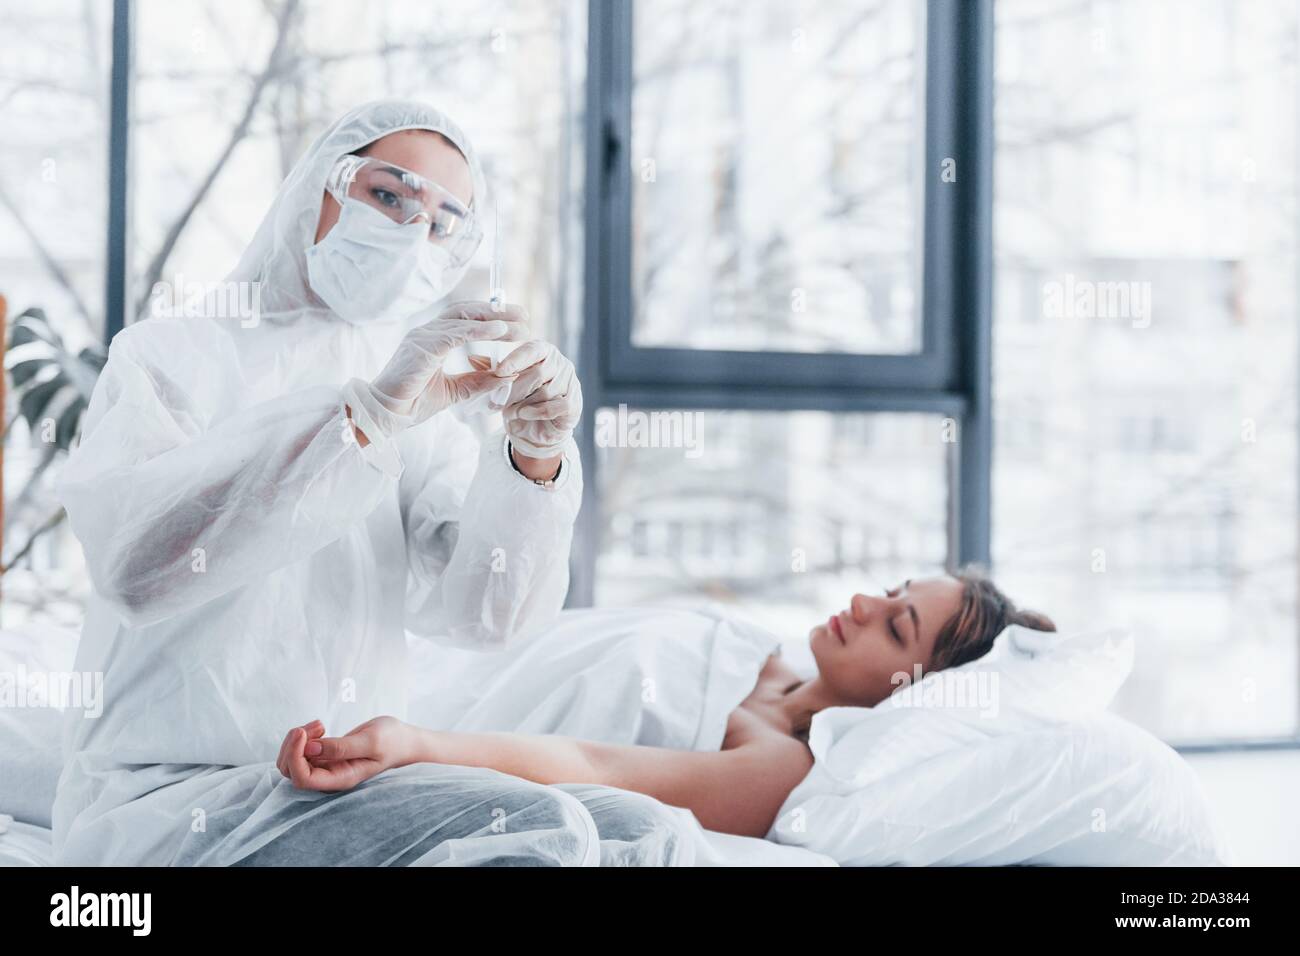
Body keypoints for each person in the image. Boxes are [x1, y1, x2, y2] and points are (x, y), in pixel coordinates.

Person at [53, 100, 680, 866]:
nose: (413, 232)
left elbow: (482, 615)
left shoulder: (414, 396)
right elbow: (135, 567)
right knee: (545, 836)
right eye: (390, 195)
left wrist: (533, 457)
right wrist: (359, 424)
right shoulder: (168, 356)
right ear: (319, 185)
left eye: (445, 222)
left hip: (341, 783)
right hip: (168, 801)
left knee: (646, 831)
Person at [280, 568, 1057, 840]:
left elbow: (592, 764)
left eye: (896, 624)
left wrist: (416, 743)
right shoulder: (759, 647)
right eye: (892, 590)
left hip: (416, 721)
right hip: (411, 663)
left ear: (913, 692)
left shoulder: (775, 766)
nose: (862, 601)